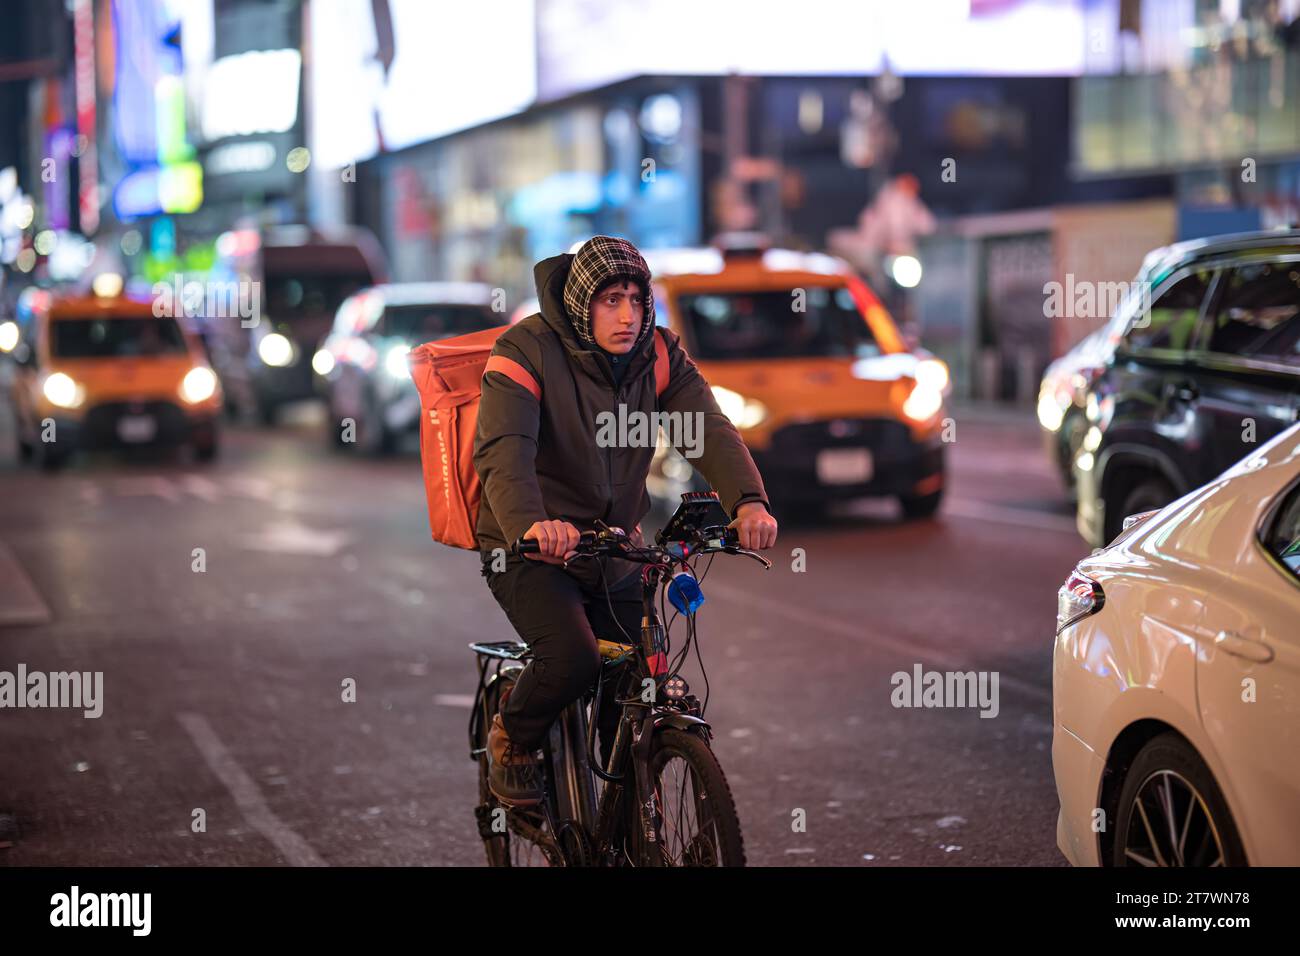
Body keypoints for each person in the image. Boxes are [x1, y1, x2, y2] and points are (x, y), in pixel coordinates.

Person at [473, 235, 778, 805]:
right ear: (583, 303)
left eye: (637, 300)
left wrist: (748, 502)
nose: (628, 315)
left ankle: (619, 811)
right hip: (529, 546)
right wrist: (531, 525)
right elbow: (503, 451)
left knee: (640, 675)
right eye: (611, 300)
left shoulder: (657, 356)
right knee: (573, 658)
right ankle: (513, 737)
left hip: (611, 544)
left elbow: (706, 428)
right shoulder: (525, 351)